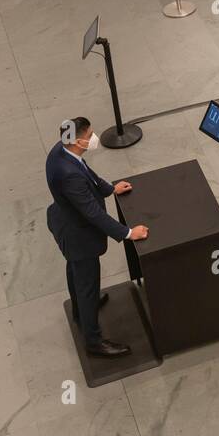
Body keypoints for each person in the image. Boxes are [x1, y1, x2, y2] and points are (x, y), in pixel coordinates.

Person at [46, 117, 149, 357]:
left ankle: (80, 311)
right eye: (89, 134)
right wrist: (127, 233)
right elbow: (91, 212)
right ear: (77, 140)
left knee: (75, 270)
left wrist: (108, 189)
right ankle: (93, 341)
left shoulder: (60, 151)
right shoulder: (68, 174)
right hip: (78, 235)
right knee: (87, 283)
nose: (93, 138)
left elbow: (86, 172)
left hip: (63, 220)